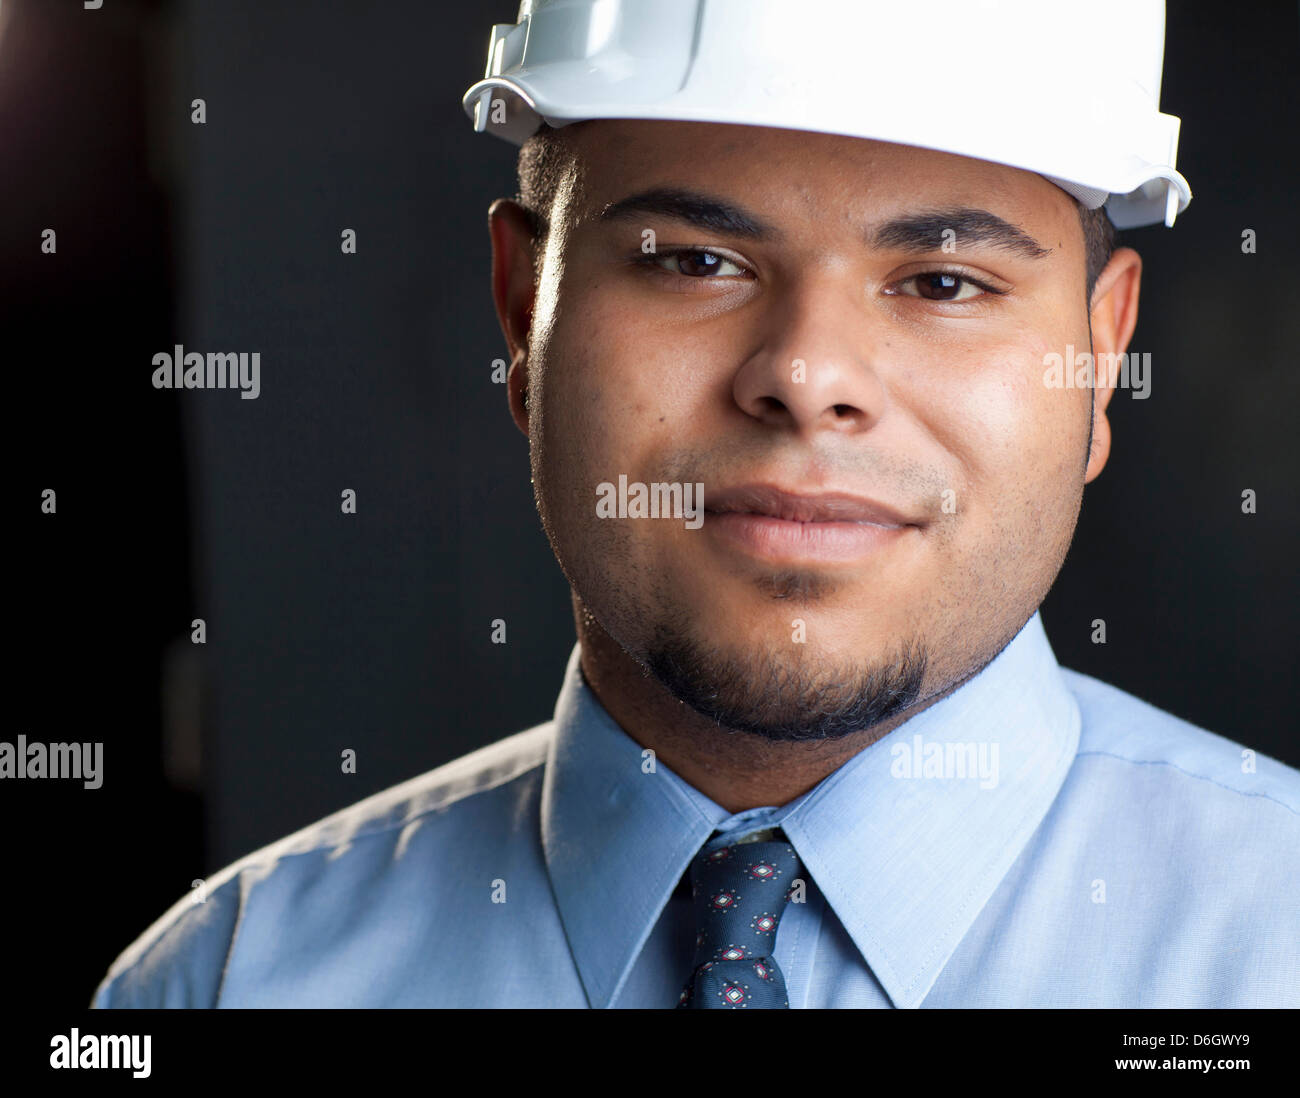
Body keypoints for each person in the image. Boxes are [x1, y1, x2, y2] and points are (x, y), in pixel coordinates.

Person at [93, 0, 1298, 1008]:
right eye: (693, 261)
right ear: (524, 316)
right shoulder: (226, 984)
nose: (807, 377)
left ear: (1097, 356)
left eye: (941, 279)